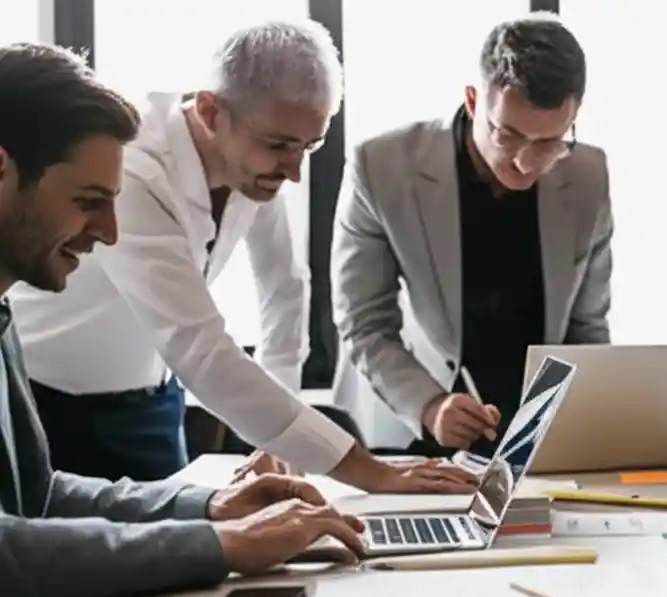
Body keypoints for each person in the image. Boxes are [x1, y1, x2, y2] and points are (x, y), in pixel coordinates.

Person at [8, 21, 474, 494]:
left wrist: (280, 442)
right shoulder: (136, 168)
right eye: (280, 146)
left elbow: (285, 292)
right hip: (48, 403)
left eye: (308, 148)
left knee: (177, 546)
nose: (294, 171)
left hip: (152, 403)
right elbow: (201, 348)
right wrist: (369, 470)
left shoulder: (254, 169)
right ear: (211, 111)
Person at [0, 42, 369, 597]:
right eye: (88, 201)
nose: (110, 234)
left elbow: (37, 497)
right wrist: (224, 544)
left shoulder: (2, 323)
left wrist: (209, 508)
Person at [331, 12, 611, 457]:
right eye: (509, 135)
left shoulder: (589, 174)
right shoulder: (382, 167)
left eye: (549, 142)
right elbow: (364, 322)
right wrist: (430, 405)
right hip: (409, 428)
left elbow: (587, 328)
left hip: (537, 438)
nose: (525, 162)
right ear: (473, 101)